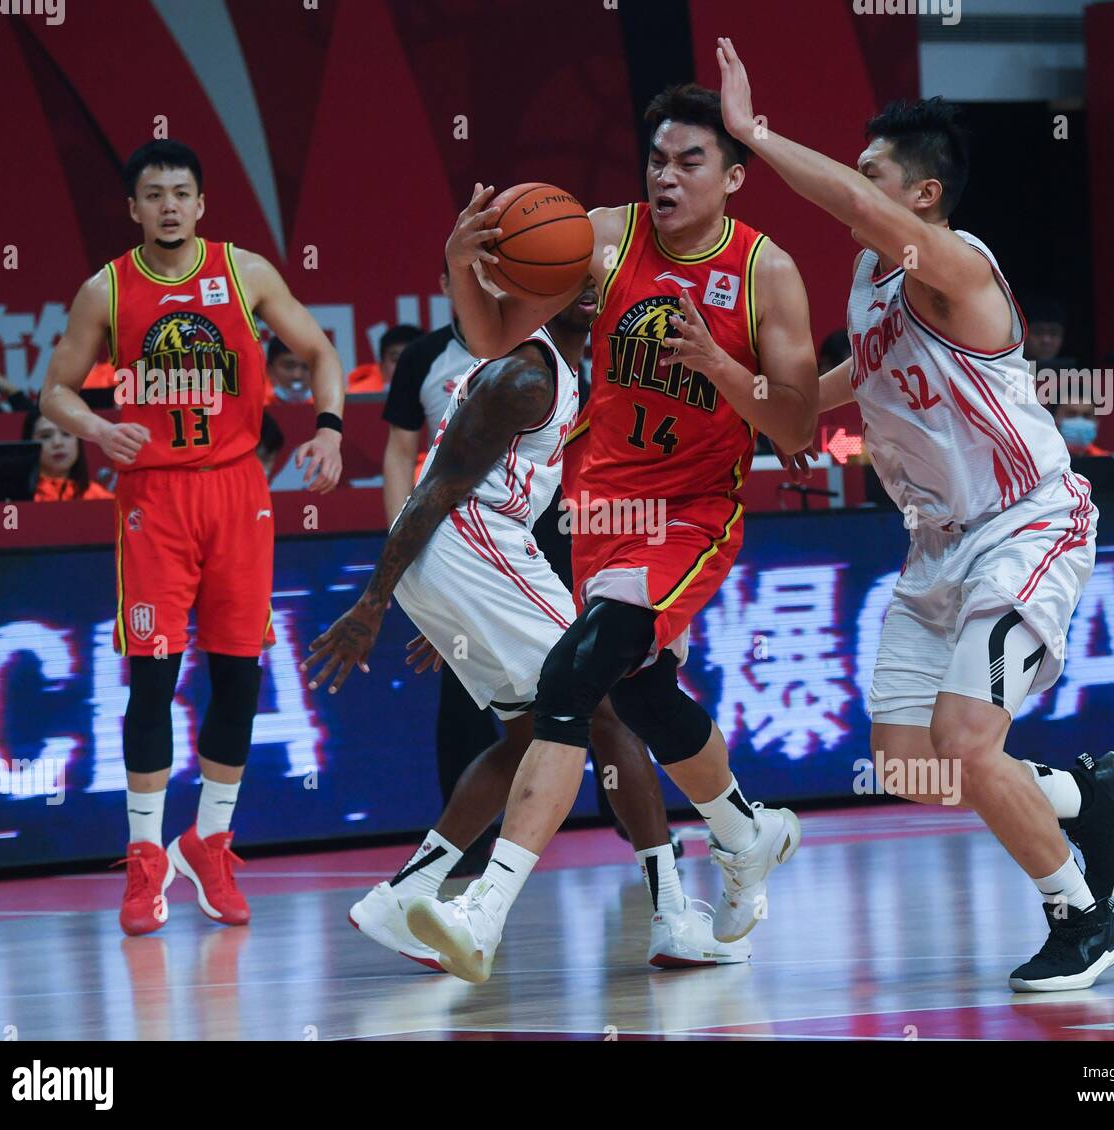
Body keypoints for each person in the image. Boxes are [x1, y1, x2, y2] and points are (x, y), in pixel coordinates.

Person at [714, 38, 1114, 991]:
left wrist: (753, 134)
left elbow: (855, 206)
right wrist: (712, 366)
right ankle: (1080, 793)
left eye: (873, 172)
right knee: (912, 767)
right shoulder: (872, 291)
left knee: (965, 741)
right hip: (934, 550)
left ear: (923, 197)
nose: (857, 185)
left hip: (1026, 524)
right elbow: (799, 407)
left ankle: (1083, 918)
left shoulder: (960, 272)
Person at [389, 82, 818, 984]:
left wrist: (717, 367)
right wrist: (463, 261)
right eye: (656, 160)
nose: (666, 176)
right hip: (599, 510)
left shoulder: (767, 273)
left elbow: (798, 429)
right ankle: (746, 830)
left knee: (572, 676)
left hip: (693, 511)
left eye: (689, 162)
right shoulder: (603, 236)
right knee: (646, 692)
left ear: (733, 177)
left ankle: (485, 906)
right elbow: (493, 330)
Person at [304, 284, 746, 970]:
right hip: (469, 543)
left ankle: (405, 893)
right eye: (573, 278)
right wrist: (376, 602)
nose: (595, 290)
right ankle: (671, 913)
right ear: (538, 281)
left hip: (467, 558)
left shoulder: (562, 372)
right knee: (609, 711)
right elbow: (437, 488)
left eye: (602, 276)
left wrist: (454, 604)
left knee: (526, 736)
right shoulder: (527, 372)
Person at [40, 139, 345, 937]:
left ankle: (208, 839)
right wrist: (98, 428)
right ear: (134, 208)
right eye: (154, 194)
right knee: (152, 678)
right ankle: (145, 861)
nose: (169, 205)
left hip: (237, 488)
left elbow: (318, 350)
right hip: (155, 498)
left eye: (182, 192)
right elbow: (55, 390)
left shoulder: (244, 273)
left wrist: (331, 429)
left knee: (240, 675)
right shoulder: (105, 288)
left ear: (201, 204)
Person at [381, 263, 498, 875]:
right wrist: (404, 541)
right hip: (458, 544)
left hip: (542, 536)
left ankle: (640, 825)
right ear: (445, 285)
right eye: (464, 276)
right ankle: (465, 846)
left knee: (587, 686)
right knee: (466, 693)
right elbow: (400, 450)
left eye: (490, 276)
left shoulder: (543, 348)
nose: (478, 287)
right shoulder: (423, 358)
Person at [23, 409, 114, 500]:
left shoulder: (99, 498)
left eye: (66, 434)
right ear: (29, 443)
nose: (57, 443)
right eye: (46, 436)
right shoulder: (15, 498)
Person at [347, 325, 420, 395]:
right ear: (381, 365)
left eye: (412, 361)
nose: (404, 367)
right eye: (396, 360)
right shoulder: (357, 396)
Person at [266, 336, 312, 402]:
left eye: (306, 367)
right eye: (289, 366)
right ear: (270, 371)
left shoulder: (327, 406)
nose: (297, 375)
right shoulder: (258, 405)